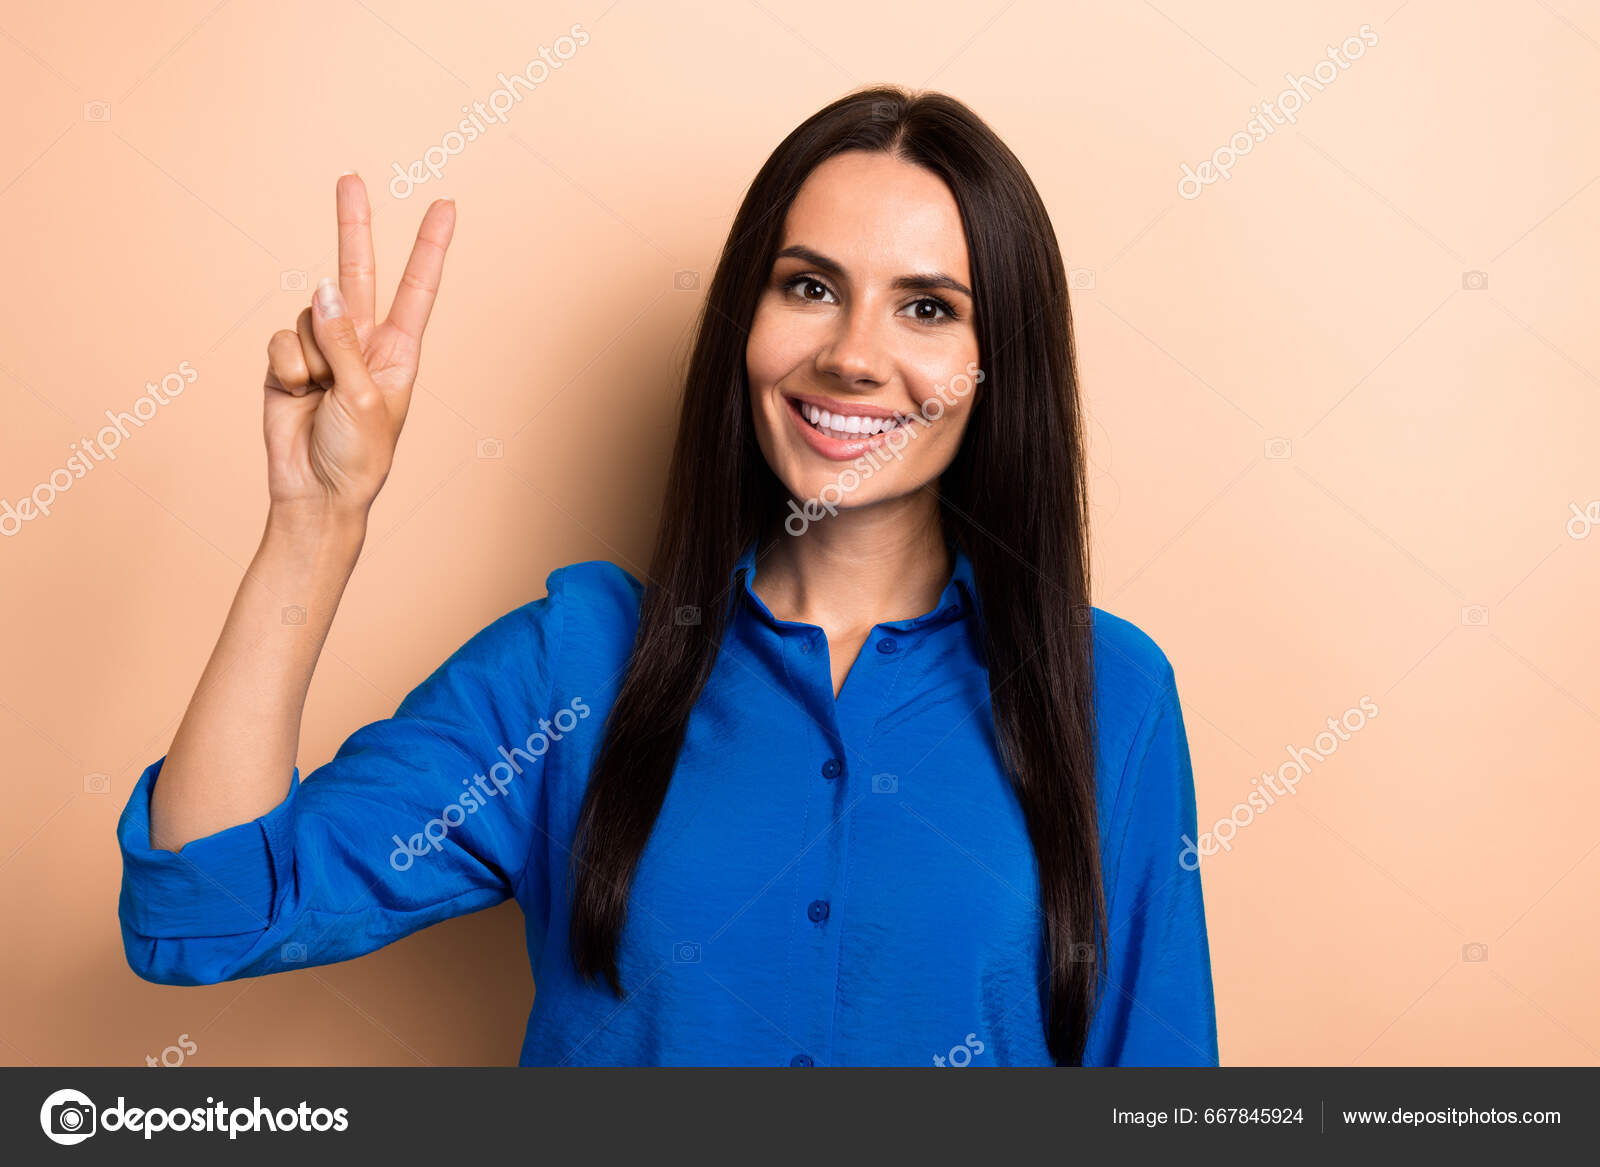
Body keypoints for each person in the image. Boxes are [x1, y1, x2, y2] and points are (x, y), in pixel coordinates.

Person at [116, 85, 1218, 1068]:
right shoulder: (574, 667)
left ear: (997, 366)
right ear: (745, 318)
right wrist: (315, 522)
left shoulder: (1106, 692)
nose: (851, 354)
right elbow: (202, 914)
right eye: (809, 287)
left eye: (927, 307)